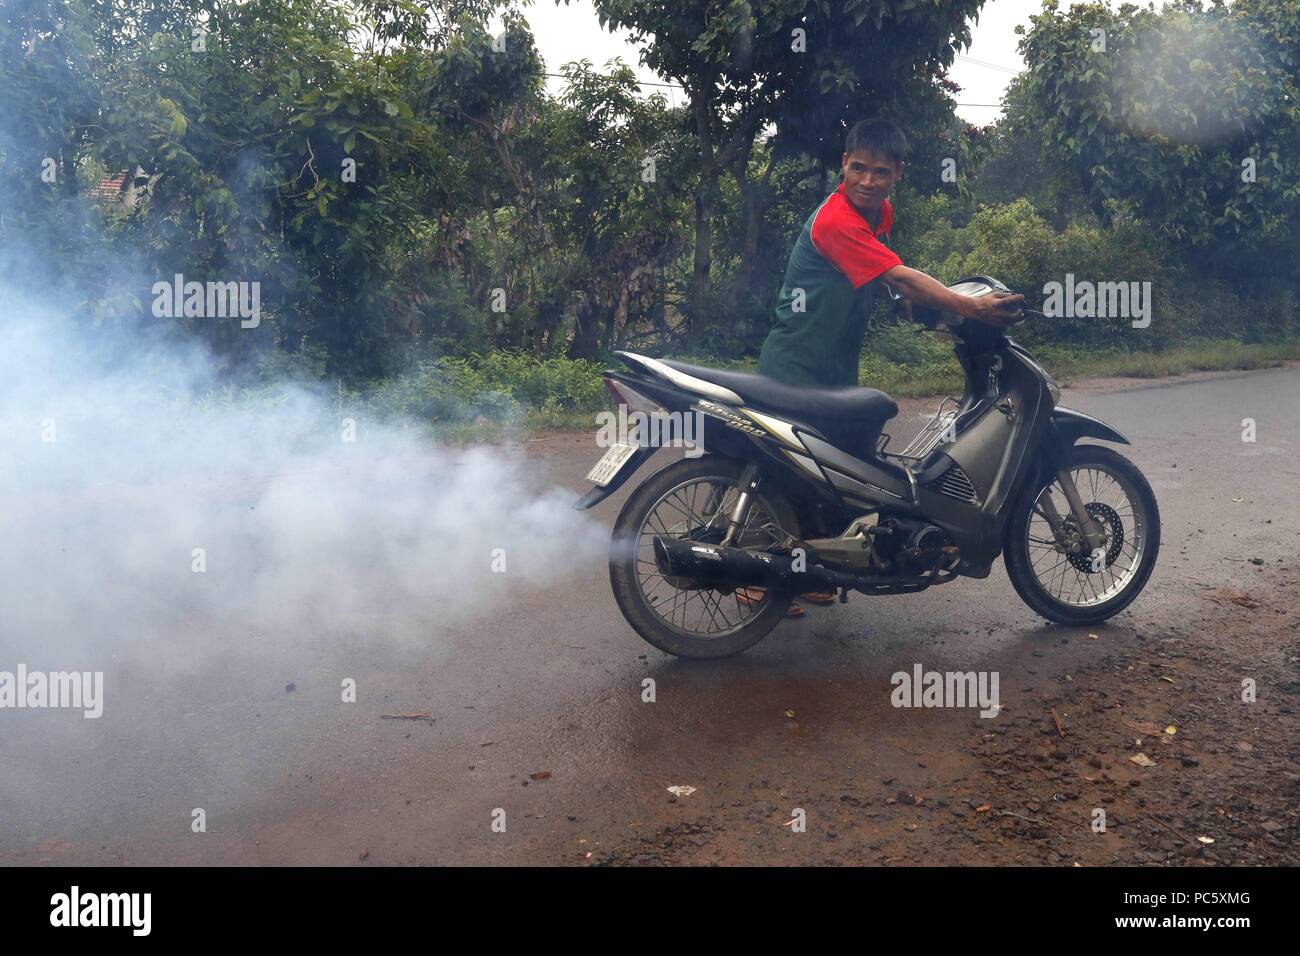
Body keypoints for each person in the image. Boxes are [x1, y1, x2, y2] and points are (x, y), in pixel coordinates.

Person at [740, 118, 1025, 617]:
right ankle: (751, 577)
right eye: (859, 169)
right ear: (842, 167)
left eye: (880, 172)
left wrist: (903, 299)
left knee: (832, 468)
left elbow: (879, 269)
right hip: (798, 361)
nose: (868, 181)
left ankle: (806, 568)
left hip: (835, 358)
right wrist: (968, 306)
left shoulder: (879, 213)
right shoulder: (835, 220)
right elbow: (896, 271)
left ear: (897, 173)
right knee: (789, 467)